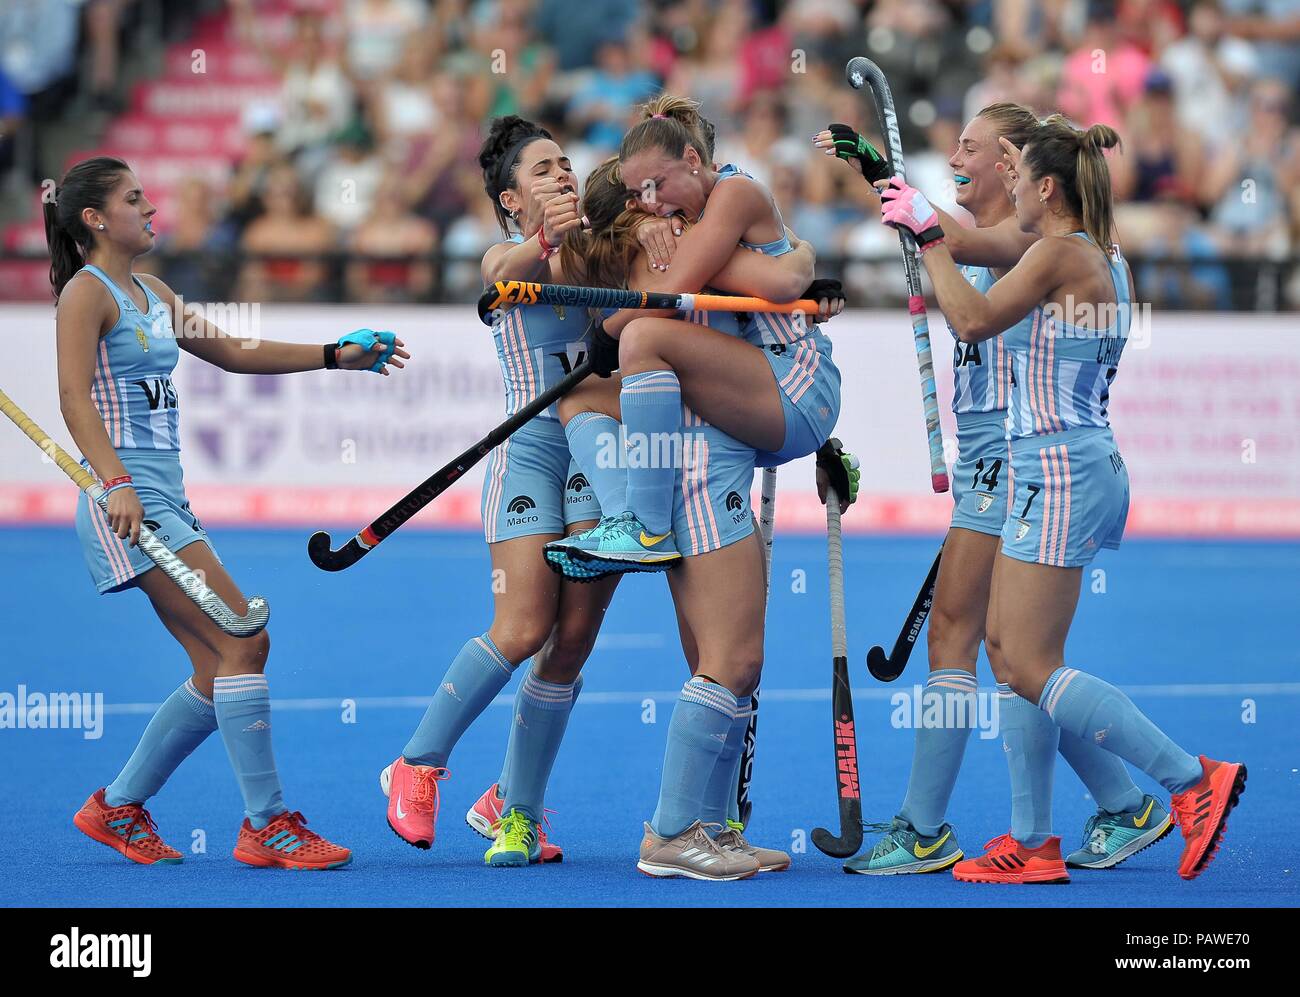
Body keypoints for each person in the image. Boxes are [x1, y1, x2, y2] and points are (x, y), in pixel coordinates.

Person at [879, 117, 1245, 883]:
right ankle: (1036, 842)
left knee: (1031, 661)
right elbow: (993, 268)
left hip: (1059, 467)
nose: (1006, 186)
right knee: (1012, 656)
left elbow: (973, 318)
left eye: (1017, 177)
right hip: (1066, 461)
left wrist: (930, 238)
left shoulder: (1055, 254)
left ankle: (1189, 779)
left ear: (1047, 188)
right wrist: (927, 218)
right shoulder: (1097, 254)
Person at [817, 108, 1169, 875]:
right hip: (1003, 464)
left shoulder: (1033, 247)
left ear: (1019, 166)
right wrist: (880, 176)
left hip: (1021, 465)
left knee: (974, 639)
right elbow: (935, 224)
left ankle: (927, 824)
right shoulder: (1005, 241)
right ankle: (1117, 802)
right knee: (1018, 657)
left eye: (973, 147)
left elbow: (956, 265)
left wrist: (923, 221)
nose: (956, 156)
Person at [46, 156, 407, 870]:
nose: (151, 209)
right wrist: (114, 480)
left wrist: (336, 354)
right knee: (243, 639)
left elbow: (233, 350)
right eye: (134, 199)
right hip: (129, 506)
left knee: (220, 665)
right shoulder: (85, 295)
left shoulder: (149, 291)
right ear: (95, 218)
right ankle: (266, 823)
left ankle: (118, 805)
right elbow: (73, 398)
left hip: (166, 500)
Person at [380, 117, 619, 865]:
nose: (563, 177)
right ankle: (417, 763)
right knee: (521, 627)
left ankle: (514, 807)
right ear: (513, 198)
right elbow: (504, 272)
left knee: (570, 642)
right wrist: (545, 244)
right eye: (544, 170)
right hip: (530, 454)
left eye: (567, 166)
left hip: (599, 450)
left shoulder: (605, 248)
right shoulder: (507, 253)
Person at [551, 95, 841, 575]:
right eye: (638, 197)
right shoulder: (680, 222)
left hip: (794, 389)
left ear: (692, 159)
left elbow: (773, 284)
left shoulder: (732, 194)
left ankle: (646, 528)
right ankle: (627, 515)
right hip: (752, 394)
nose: (650, 202)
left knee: (644, 335)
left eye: (656, 186)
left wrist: (610, 330)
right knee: (579, 398)